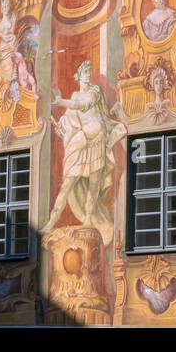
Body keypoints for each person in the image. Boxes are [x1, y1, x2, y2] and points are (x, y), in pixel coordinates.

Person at [46, 61, 126, 238]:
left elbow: (84, 104)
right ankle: (52, 220)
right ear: (79, 75)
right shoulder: (75, 95)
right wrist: (62, 129)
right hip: (82, 140)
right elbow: (70, 120)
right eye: (86, 72)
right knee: (67, 183)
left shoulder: (94, 91)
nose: (88, 75)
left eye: (90, 72)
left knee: (94, 182)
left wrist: (61, 101)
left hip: (96, 138)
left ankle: (89, 218)